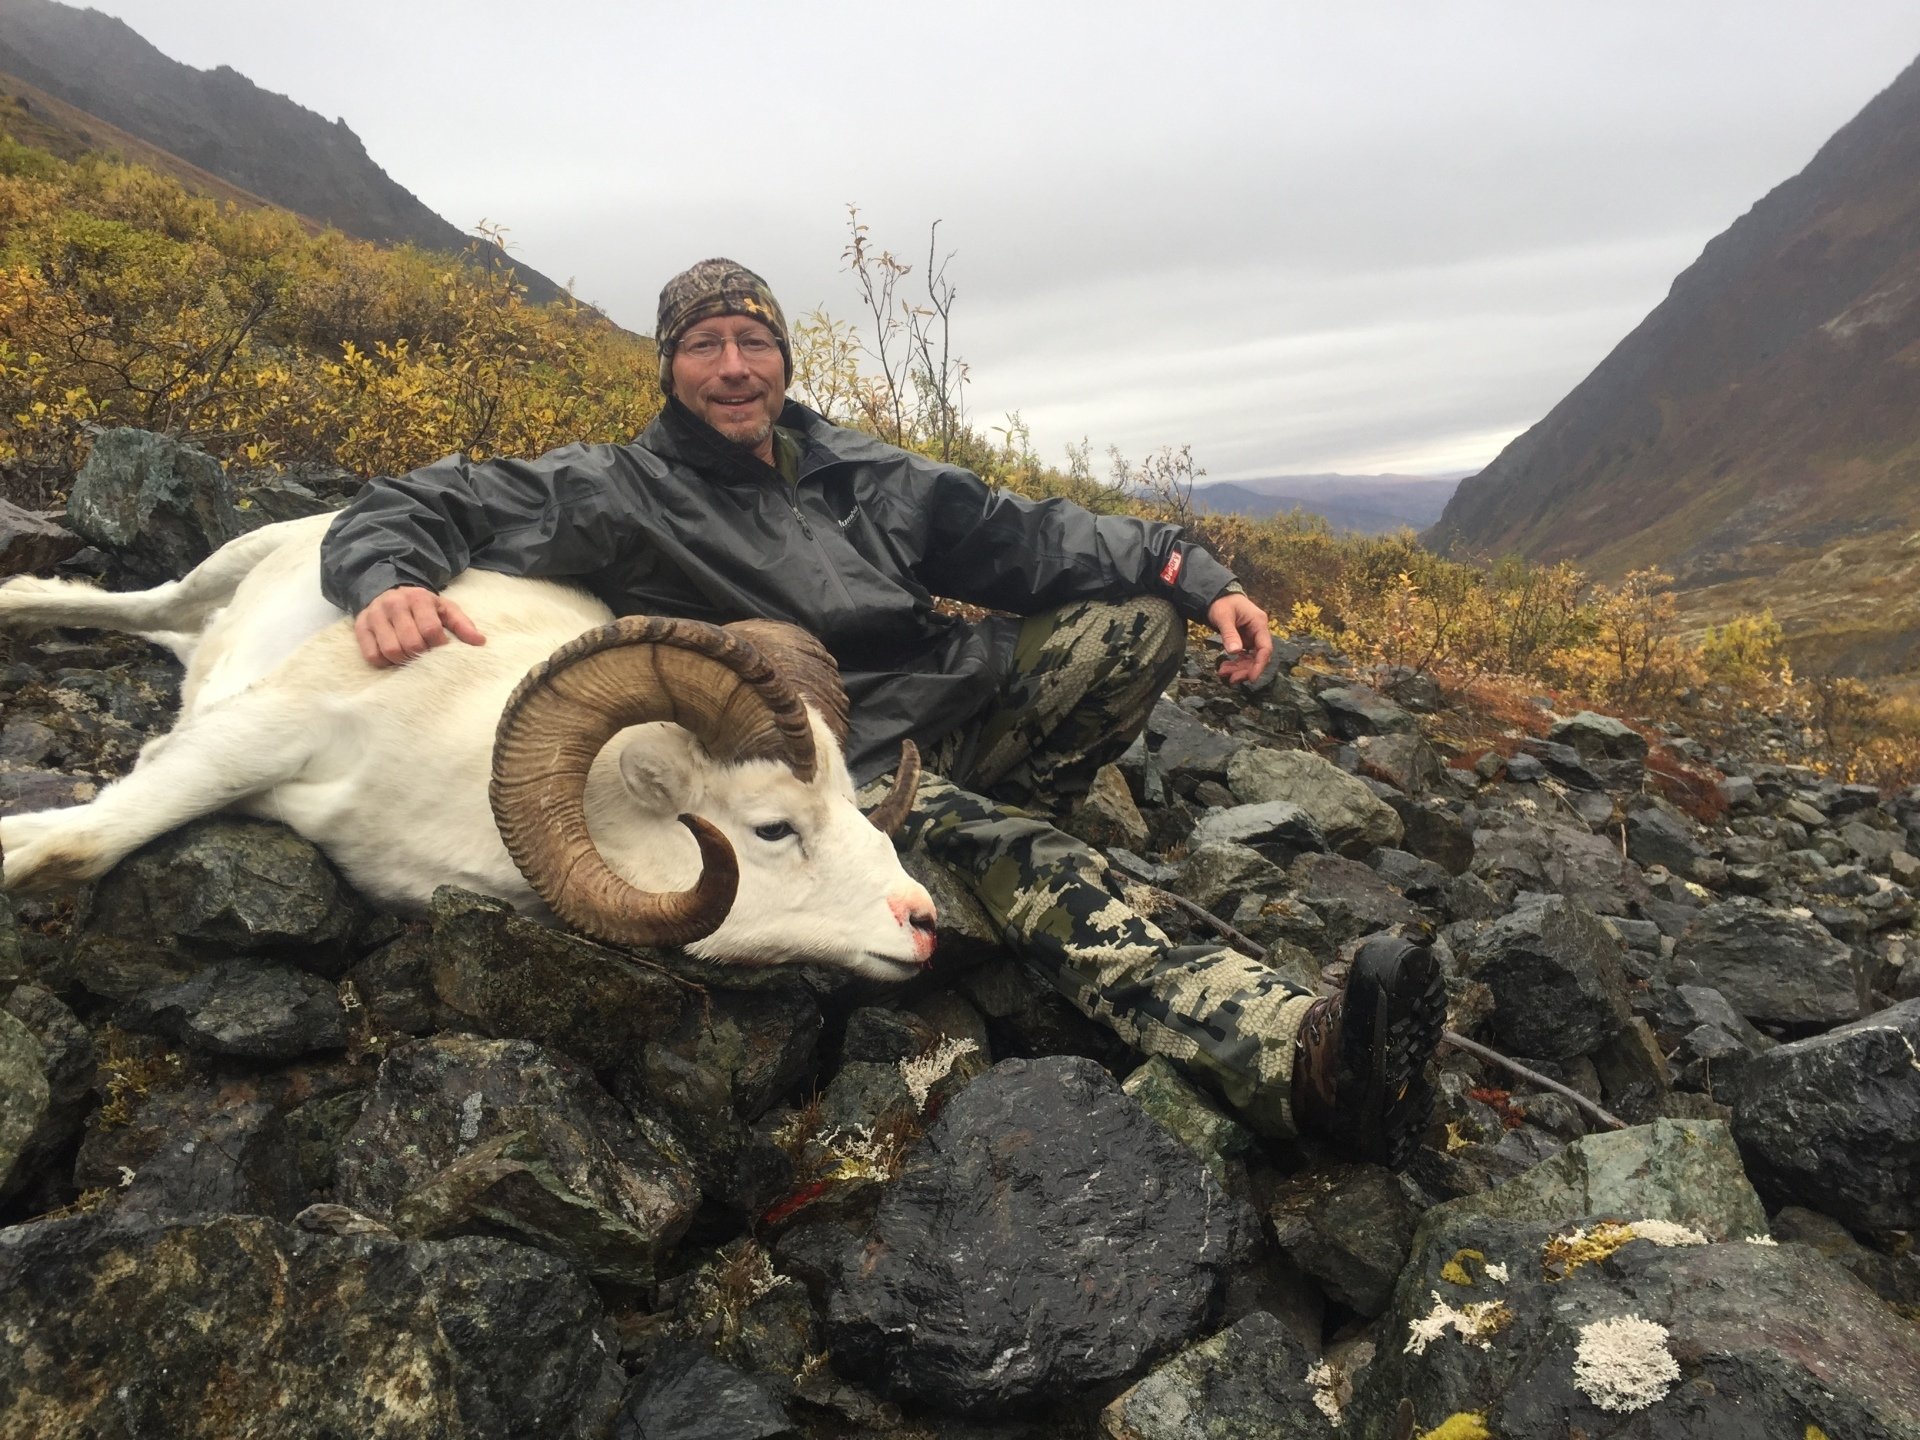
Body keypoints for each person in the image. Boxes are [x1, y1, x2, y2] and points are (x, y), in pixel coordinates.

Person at [319, 258, 1443, 1168]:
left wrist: (1195, 571)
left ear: (781, 357)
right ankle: (1287, 1053)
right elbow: (426, 499)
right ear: (669, 370)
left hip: (938, 698)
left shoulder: (863, 468)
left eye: (751, 340)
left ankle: (993, 854)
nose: (732, 366)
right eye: (703, 346)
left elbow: (1034, 536)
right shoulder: (619, 491)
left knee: (1132, 622)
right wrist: (387, 578)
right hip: (811, 768)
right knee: (1011, 850)